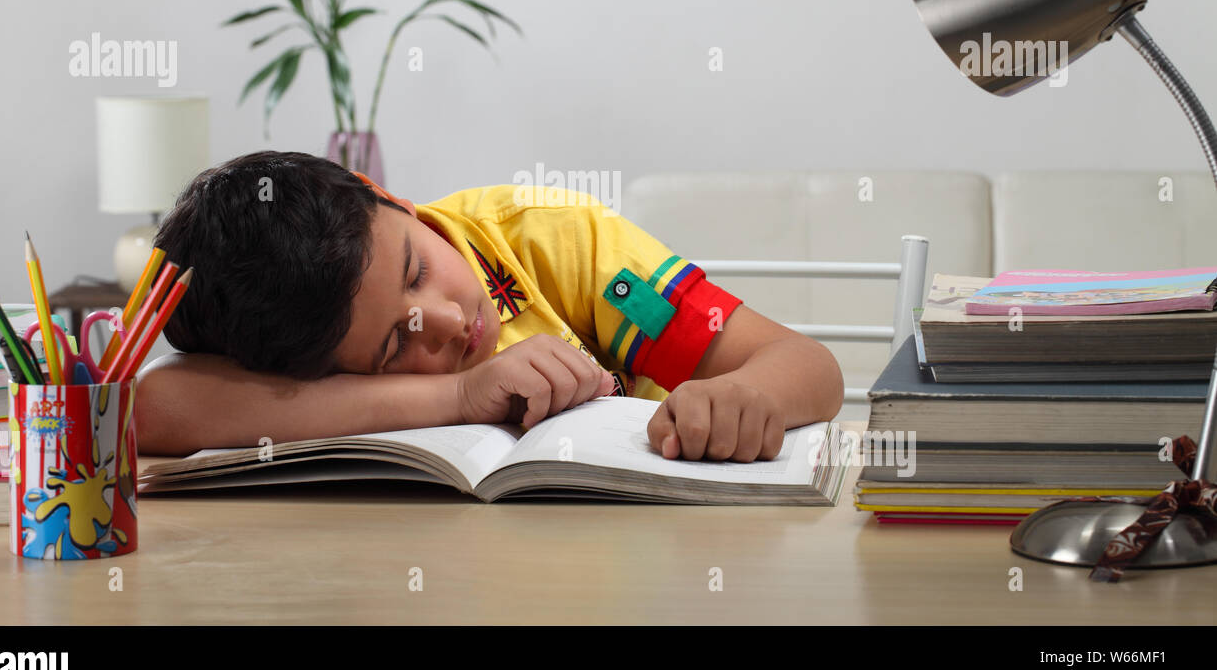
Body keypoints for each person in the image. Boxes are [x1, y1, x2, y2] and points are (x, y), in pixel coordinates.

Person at [135, 151, 843, 461]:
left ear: (383, 194)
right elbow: (151, 408)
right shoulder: (309, 340)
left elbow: (808, 364)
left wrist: (745, 397)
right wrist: (458, 394)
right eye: (393, 347)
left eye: (417, 268)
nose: (445, 321)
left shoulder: (548, 239)